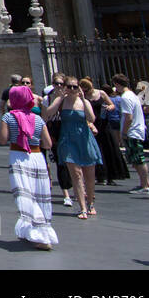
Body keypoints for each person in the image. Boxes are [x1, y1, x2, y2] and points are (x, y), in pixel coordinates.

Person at [0, 84, 58, 251]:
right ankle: (33, 230)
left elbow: (2, 139)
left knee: (25, 195)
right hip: (37, 157)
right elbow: (48, 143)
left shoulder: (8, 117)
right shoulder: (38, 119)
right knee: (40, 194)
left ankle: (42, 237)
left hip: (18, 156)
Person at [42, 76, 103, 219]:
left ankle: (90, 203)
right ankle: (82, 207)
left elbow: (91, 118)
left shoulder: (84, 102)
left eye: (75, 87)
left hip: (84, 138)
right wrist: (59, 98)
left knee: (89, 175)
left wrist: (83, 99)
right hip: (68, 139)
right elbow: (48, 113)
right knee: (76, 175)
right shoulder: (62, 101)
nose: (72, 89)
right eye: (69, 86)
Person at [113, 74, 149, 195]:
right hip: (136, 130)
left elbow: (128, 118)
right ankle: (146, 184)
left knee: (139, 159)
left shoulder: (125, 98)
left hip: (132, 132)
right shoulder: (132, 95)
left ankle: (145, 186)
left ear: (117, 84)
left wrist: (124, 133)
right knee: (136, 160)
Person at [81, 78, 126, 184]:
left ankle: (111, 176)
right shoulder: (83, 97)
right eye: (84, 91)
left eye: (87, 90)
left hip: (104, 123)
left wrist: (110, 107)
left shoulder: (101, 93)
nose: (86, 92)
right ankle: (100, 175)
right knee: (97, 150)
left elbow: (112, 104)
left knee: (109, 149)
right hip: (92, 125)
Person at [43, 74, 76, 208]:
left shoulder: (71, 99)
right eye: (56, 83)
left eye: (61, 84)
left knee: (74, 162)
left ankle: (79, 189)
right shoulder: (48, 98)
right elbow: (46, 116)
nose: (59, 86)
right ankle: (66, 195)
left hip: (69, 129)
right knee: (60, 162)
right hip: (55, 131)